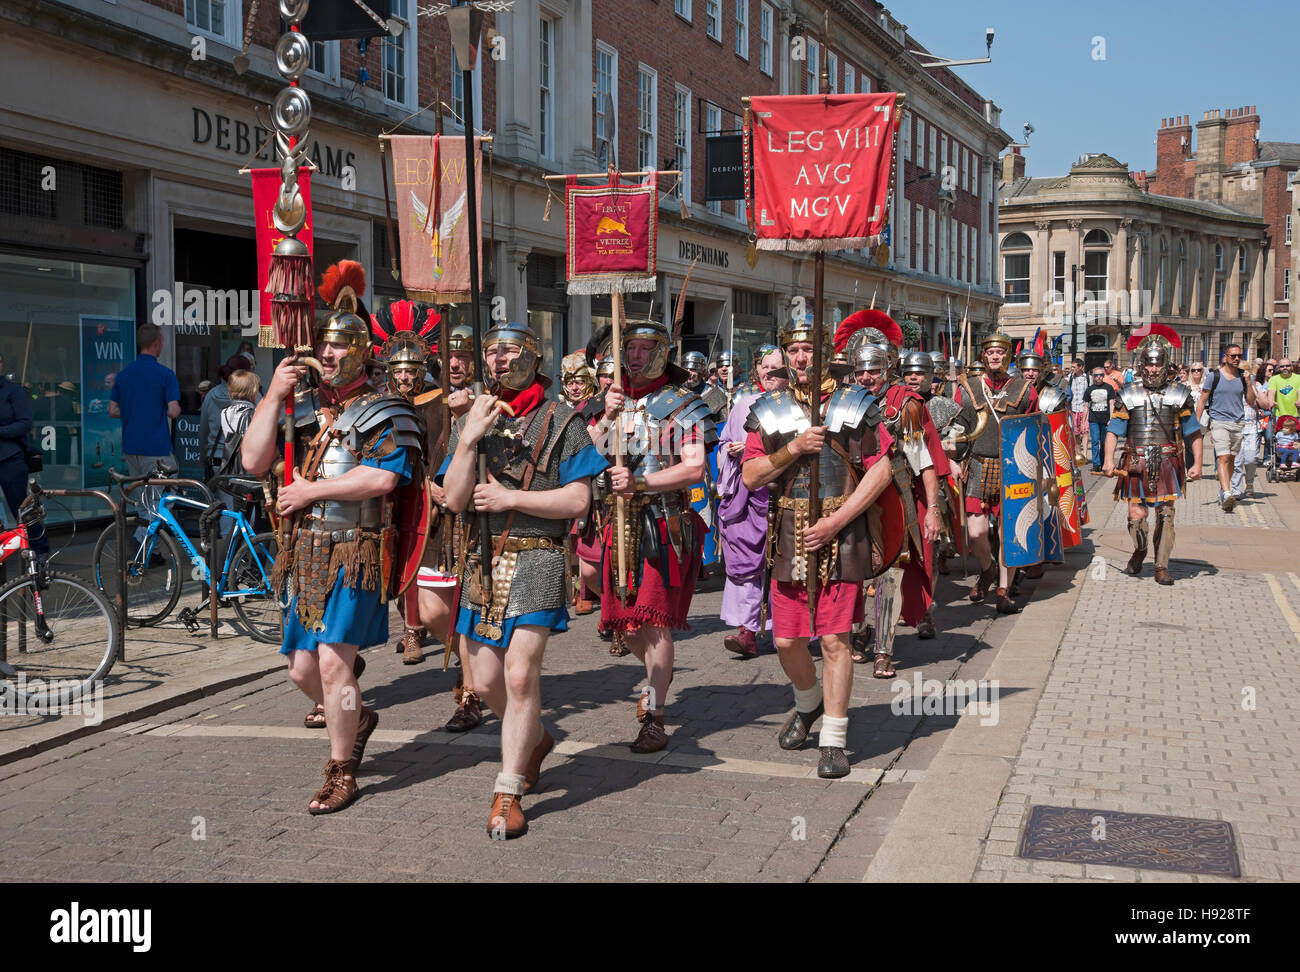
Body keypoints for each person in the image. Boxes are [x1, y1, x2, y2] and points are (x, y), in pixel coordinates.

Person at [241, 260, 423, 814]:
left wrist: (311, 494)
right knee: (300, 668)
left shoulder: (386, 408)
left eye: (339, 346)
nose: (327, 355)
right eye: (322, 347)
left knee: (331, 662)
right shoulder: (303, 410)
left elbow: (387, 476)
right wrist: (273, 395)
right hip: (305, 554)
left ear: (363, 350)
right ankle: (358, 714)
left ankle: (342, 769)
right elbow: (253, 461)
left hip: (355, 550)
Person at [442, 321, 606, 838]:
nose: (497, 360)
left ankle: (508, 791)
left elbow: (579, 501)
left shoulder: (563, 421)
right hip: (481, 560)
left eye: (509, 351)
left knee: (519, 676)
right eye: (490, 352)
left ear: (534, 358)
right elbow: (453, 498)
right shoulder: (474, 417)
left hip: (537, 556)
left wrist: (513, 498)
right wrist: (468, 437)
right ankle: (535, 740)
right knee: (485, 682)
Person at [742, 318, 894, 778]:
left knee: (834, 639)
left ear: (826, 352)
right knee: (787, 641)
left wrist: (837, 521)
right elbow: (750, 476)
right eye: (794, 350)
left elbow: (881, 470)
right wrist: (794, 449)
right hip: (788, 530)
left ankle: (834, 737)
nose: (802, 358)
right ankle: (809, 703)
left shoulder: (855, 404)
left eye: (809, 348)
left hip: (840, 531)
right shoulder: (770, 408)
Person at [594, 320, 716, 753]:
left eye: (646, 348)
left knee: (654, 621)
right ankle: (655, 681)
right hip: (617, 520)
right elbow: (592, 455)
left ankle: (656, 715)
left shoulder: (684, 404)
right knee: (626, 626)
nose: (636, 356)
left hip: (664, 522)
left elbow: (694, 469)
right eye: (630, 348)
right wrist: (606, 416)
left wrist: (641, 484)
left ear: (664, 352)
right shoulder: (615, 400)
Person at [1104, 336, 1202, 585]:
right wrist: (1108, 460)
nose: (1153, 368)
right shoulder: (1128, 394)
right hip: (1136, 460)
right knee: (1136, 516)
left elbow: (1193, 431)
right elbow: (1114, 430)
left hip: (1168, 460)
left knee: (1166, 514)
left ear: (1166, 365)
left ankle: (1161, 566)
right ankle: (1140, 549)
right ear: (1142, 365)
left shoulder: (1179, 393)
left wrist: (1197, 464)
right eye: (1149, 363)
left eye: (1158, 363)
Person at [719, 346, 788, 659]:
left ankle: (786, 631)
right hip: (748, 496)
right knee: (748, 565)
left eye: (776, 368)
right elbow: (724, 441)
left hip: (785, 495)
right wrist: (731, 451)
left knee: (784, 562)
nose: (769, 373)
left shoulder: (795, 403)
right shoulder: (743, 403)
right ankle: (747, 629)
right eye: (764, 367)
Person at [109, 323, 181, 542]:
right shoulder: (165, 374)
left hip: (132, 447)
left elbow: (112, 410)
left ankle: (154, 551)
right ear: (157, 344)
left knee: (144, 501)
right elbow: (173, 410)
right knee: (167, 496)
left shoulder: (123, 375)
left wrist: (135, 412)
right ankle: (141, 541)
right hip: (157, 447)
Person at [1197, 344, 1257, 512]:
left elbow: (1251, 401)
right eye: (1233, 356)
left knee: (1231, 459)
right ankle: (1227, 493)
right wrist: (1196, 423)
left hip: (1238, 422)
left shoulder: (1243, 377)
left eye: (1239, 356)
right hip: (1218, 422)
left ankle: (1224, 489)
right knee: (1223, 458)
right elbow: (1202, 401)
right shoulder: (1213, 376)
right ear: (1225, 357)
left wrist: (1248, 382)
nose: (1237, 358)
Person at [0, 353, 48, 556]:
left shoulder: (13, 391)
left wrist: (1, 432)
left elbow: (25, 422)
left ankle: (41, 550)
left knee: (22, 510)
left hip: (9, 458)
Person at [1084, 368, 1117, 470]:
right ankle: (1096, 464)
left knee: (1104, 442)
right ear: (1093, 377)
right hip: (1093, 419)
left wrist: (1111, 419)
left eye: (1101, 375)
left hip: (1105, 419)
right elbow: (1086, 406)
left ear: (1103, 376)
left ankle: (1103, 462)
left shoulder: (1109, 388)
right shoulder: (1089, 389)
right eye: (1096, 375)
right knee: (1094, 441)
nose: (1098, 377)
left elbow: (1112, 404)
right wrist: (1083, 422)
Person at [1068, 358, 1089, 445]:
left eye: (1074, 367)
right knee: (1076, 433)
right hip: (1074, 408)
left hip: (1085, 408)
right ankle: (1078, 453)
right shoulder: (1070, 378)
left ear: (1080, 367)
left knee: (1085, 431)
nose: (1072, 368)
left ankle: (1084, 454)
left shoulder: (1088, 378)